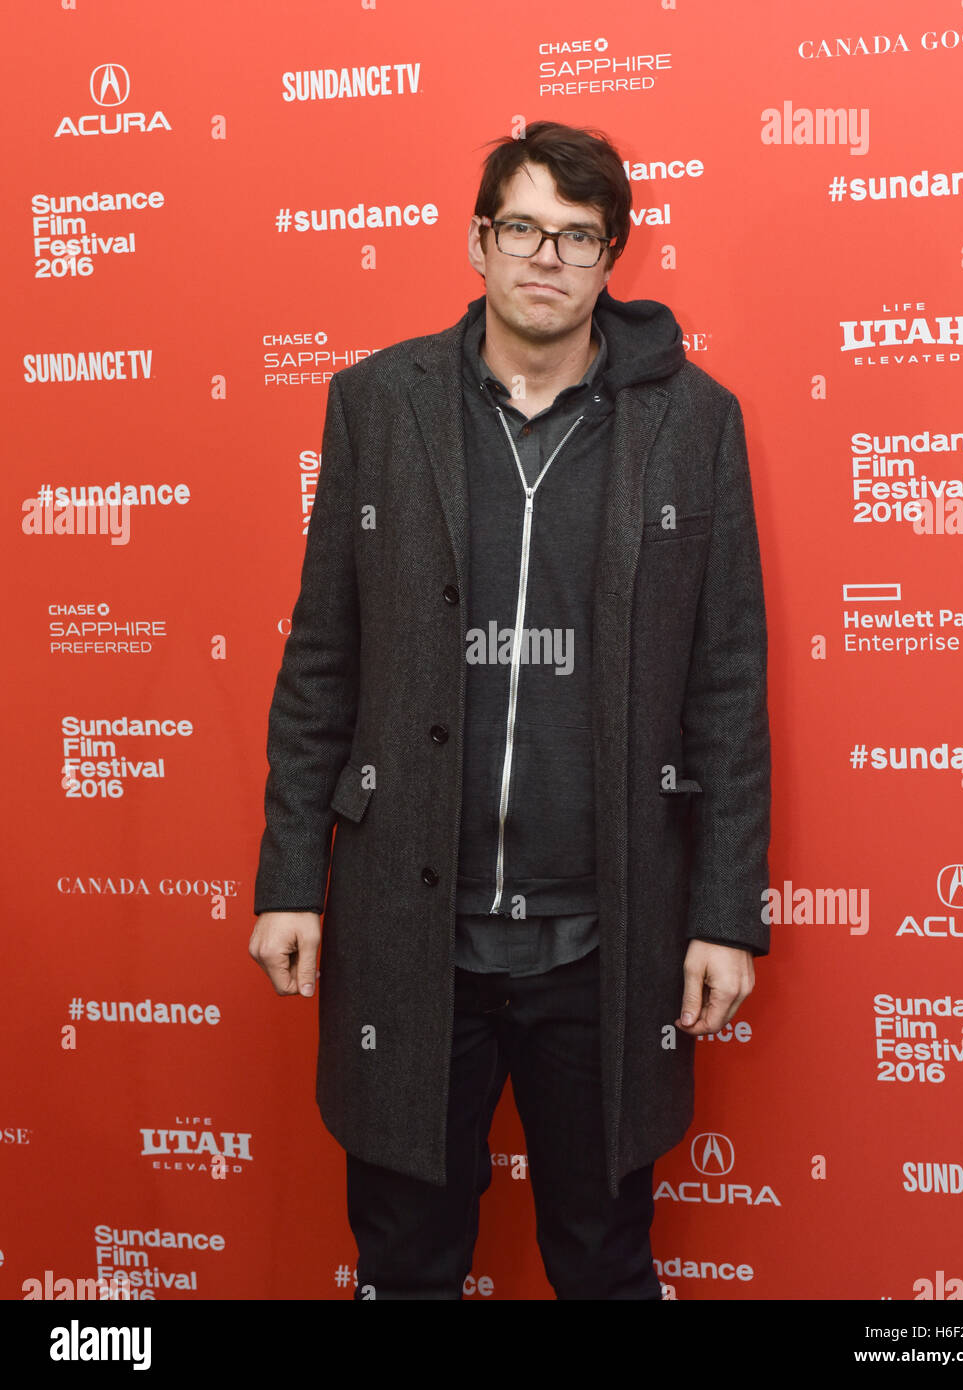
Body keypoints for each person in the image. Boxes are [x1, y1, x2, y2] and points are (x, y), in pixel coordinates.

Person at [249, 120, 770, 1300]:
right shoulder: (380, 404)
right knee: (408, 1261)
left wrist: (725, 909)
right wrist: (290, 874)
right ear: (479, 241)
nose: (547, 257)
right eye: (522, 228)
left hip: (607, 937)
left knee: (602, 1261)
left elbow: (727, 675)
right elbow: (322, 658)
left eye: (577, 237)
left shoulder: (691, 421)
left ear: (611, 257)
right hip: (410, 933)